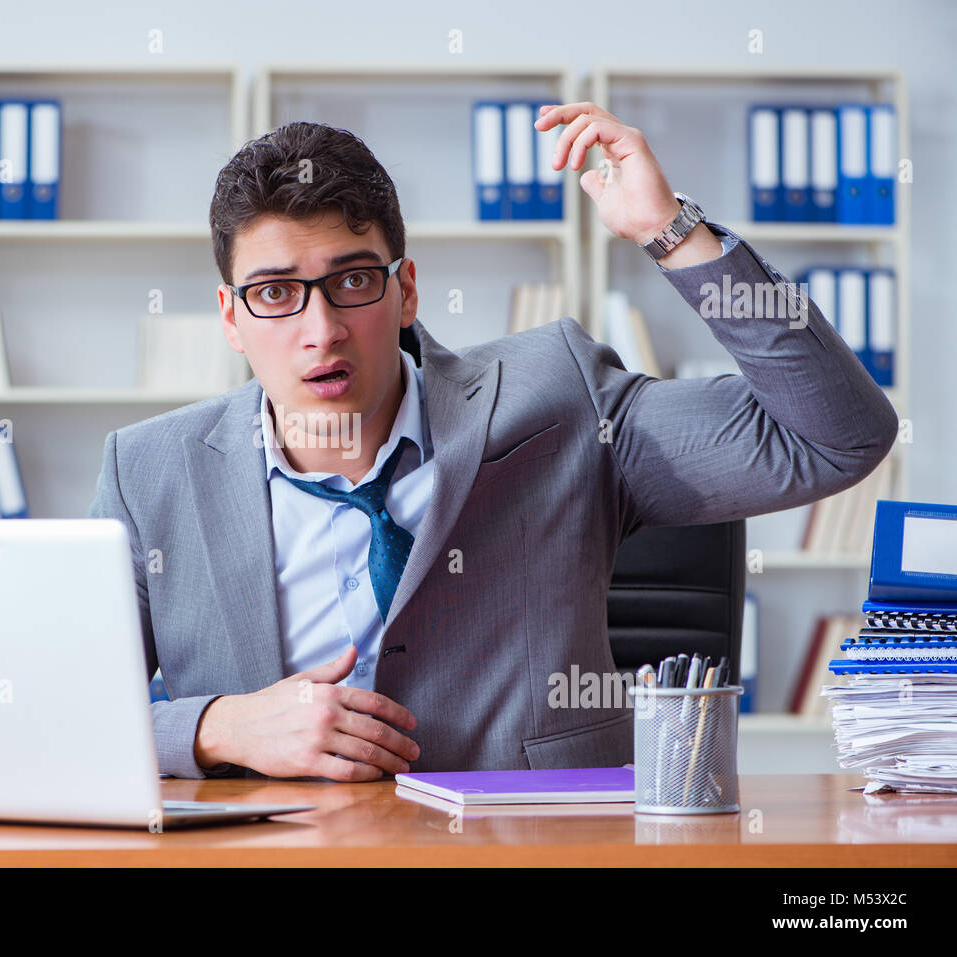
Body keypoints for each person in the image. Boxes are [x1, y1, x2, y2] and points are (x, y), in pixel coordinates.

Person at [89, 102, 897, 781]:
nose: (321, 329)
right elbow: (58, 708)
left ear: (405, 289)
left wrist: (671, 231)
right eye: (274, 293)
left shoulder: (557, 396)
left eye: (352, 280)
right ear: (231, 317)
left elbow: (837, 436)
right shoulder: (149, 470)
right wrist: (214, 728)